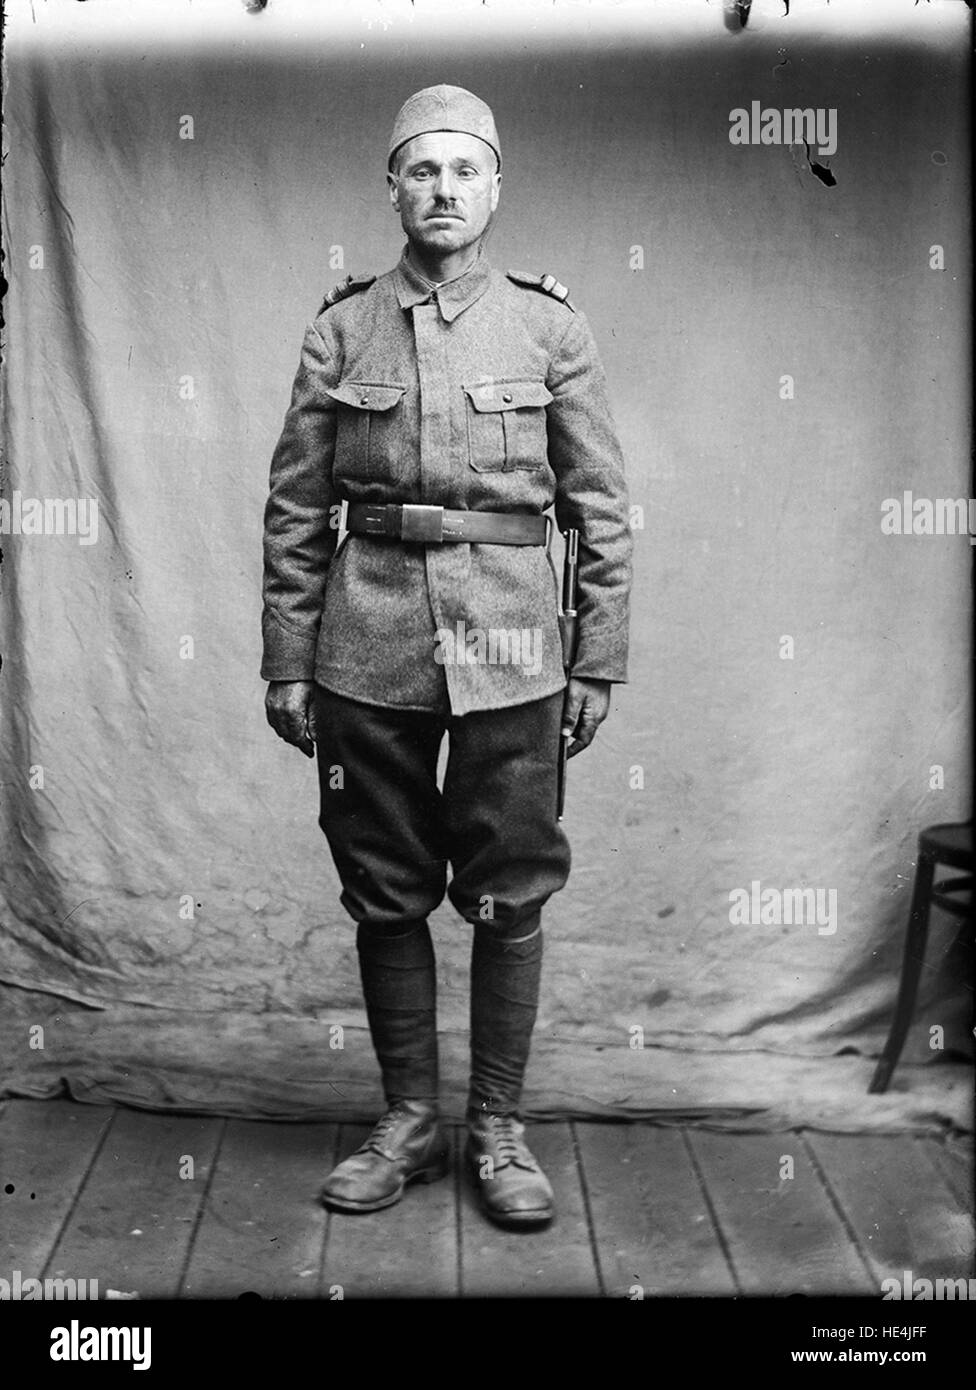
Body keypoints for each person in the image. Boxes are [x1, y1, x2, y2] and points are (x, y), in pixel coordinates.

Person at [261, 85, 632, 1227]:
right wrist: (286, 657)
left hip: (517, 650)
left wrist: (597, 659)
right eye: (421, 171)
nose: (443, 191)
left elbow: (602, 506)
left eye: (465, 171)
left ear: (495, 189)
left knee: (509, 893)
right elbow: (291, 509)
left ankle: (499, 1129)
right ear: (391, 188)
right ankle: (408, 1121)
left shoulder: (548, 328)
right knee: (384, 893)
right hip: (364, 648)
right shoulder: (340, 328)